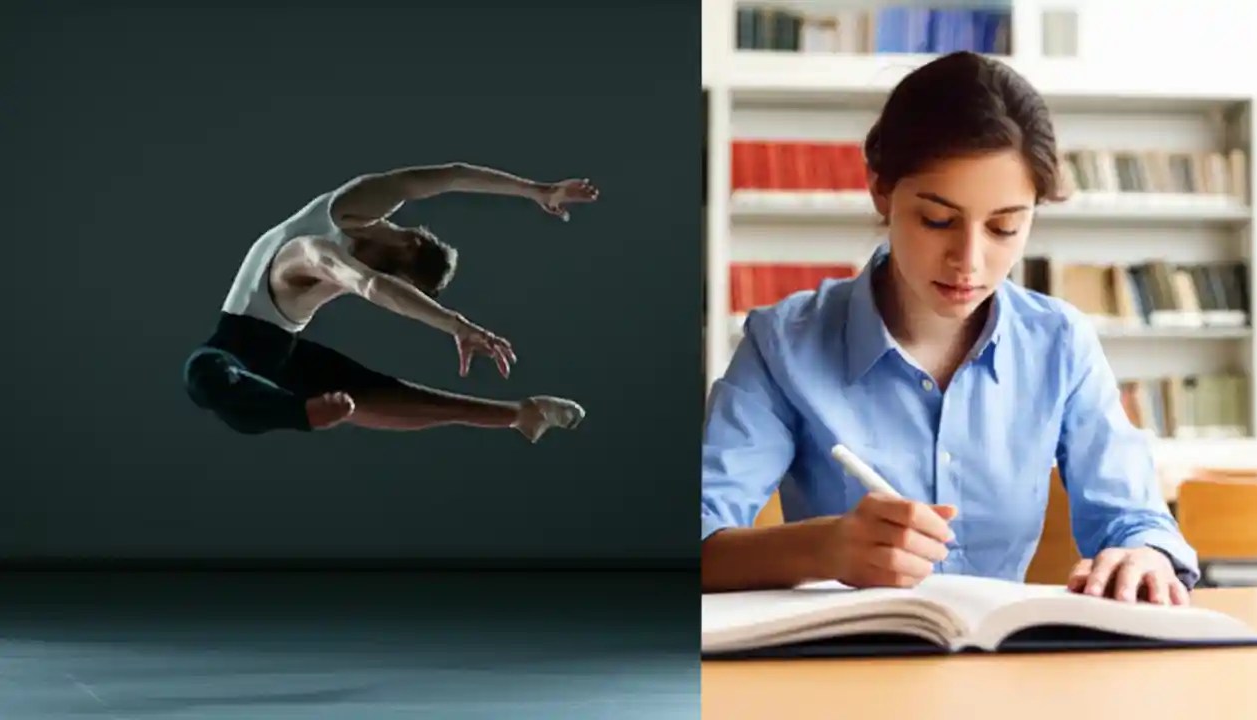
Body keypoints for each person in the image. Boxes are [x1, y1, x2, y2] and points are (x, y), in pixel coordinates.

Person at [700, 52, 1199, 605]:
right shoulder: (784, 344)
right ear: (881, 191)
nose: (970, 260)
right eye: (937, 220)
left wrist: (1144, 555)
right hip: (836, 668)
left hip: (1000, 665)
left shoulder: (1060, 343)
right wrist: (824, 550)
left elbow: (1136, 521)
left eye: (1005, 228)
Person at [182, 161, 597, 442]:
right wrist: (458, 325)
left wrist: (538, 191)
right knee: (206, 376)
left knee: (399, 399)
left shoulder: (354, 209)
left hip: (289, 356)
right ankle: (301, 412)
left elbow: (453, 176)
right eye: (391, 276)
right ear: (411, 240)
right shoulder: (310, 251)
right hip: (233, 352)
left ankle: (525, 414)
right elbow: (370, 286)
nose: (382, 279)